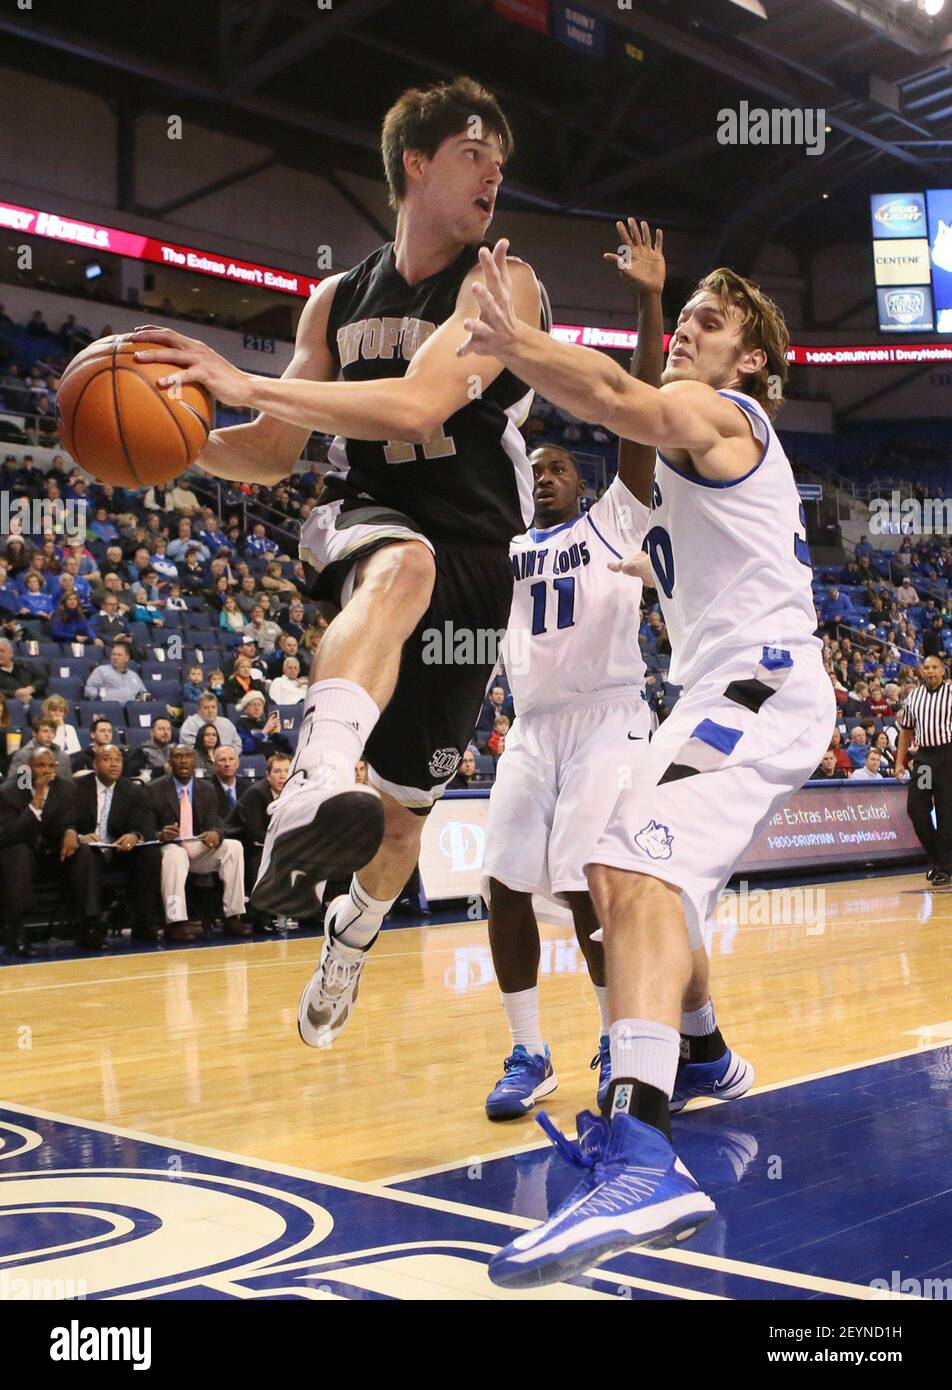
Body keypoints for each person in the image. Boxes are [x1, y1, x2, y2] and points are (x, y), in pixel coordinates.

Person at [130, 78, 547, 1044]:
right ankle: (314, 779)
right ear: (417, 162)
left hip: (482, 551)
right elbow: (272, 452)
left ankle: (348, 939)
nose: (495, 172)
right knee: (400, 565)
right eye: (476, 152)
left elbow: (416, 406)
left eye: (501, 161)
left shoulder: (503, 282)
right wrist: (168, 439)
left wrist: (244, 381)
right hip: (375, 515)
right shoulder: (335, 298)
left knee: (403, 827)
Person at [463, 230, 835, 1284]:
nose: (688, 331)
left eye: (710, 323)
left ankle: (641, 1154)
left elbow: (629, 403)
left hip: (757, 683)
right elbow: (646, 449)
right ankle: (705, 1048)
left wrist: (516, 337)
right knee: (644, 877)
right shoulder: (683, 466)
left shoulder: (728, 414)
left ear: (751, 359)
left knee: (626, 866)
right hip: (721, 690)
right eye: (685, 318)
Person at [0, 748, 101, 956]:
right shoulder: (10, 790)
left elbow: (70, 820)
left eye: (50, 765)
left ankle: (88, 926)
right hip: (21, 855)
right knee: (19, 853)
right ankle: (16, 931)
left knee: (83, 852)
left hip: (53, 853)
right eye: (40, 765)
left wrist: (71, 832)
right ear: (28, 768)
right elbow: (11, 835)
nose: (46, 770)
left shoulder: (66, 788)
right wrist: (36, 799)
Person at [145, 744, 249, 940]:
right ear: (170, 761)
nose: (183, 761)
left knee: (234, 847)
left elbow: (215, 823)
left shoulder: (206, 789)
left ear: (194, 760)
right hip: (169, 848)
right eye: (178, 757)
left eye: (187, 756)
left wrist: (216, 834)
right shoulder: (154, 789)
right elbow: (145, 828)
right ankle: (175, 923)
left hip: (197, 846)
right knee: (175, 855)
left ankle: (233, 916)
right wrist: (160, 834)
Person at [73, 744, 164, 943]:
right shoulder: (78, 787)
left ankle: (144, 923)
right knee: (86, 854)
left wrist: (135, 835)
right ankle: (90, 926)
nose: (113, 764)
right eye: (107, 759)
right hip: (87, 852)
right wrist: (79, 836)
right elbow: (66, 822)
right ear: (95, 764)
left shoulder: (132, 789)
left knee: (151, 854)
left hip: (118, 852)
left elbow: (147, 824)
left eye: (118, 760)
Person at [894, 655, 952, 885]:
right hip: (926, 760)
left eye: (934, 667)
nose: (930, 671)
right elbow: (906, 731)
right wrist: (899, 761)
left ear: (942, 671)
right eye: (926, 667)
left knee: (947, 815)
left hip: (948, 757)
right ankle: (938, 860)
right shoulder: (913, 697)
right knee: (916, 808)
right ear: (921, 671)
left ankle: (944, 867)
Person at [225, 753, 290, 931]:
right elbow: (254, 833)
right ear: (268, 775)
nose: (283, 776)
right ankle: (261, 919)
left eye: (286, 771)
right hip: (242, 843)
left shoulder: (294, 793)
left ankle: (308, 913)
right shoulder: (256, 793)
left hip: (272, 843)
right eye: (277, 771)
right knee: (261, 861)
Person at [7, 717, 74, 782]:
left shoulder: (62, 756)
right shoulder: (23, 755)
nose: (49, 735)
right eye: (45, 731)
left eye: (52, 732)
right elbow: (12, 784)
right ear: (34, 733)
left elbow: (69, 784)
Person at [234, 691, 293, 757]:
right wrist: (264, 732)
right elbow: (247, 747)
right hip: (257, 761)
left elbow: (289, 750)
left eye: (259, 705)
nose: (257, 708)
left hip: (274, 758)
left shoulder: (266, 723)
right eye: (253, 705)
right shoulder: (240, 724)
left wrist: (277, 734)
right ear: (245, 708)